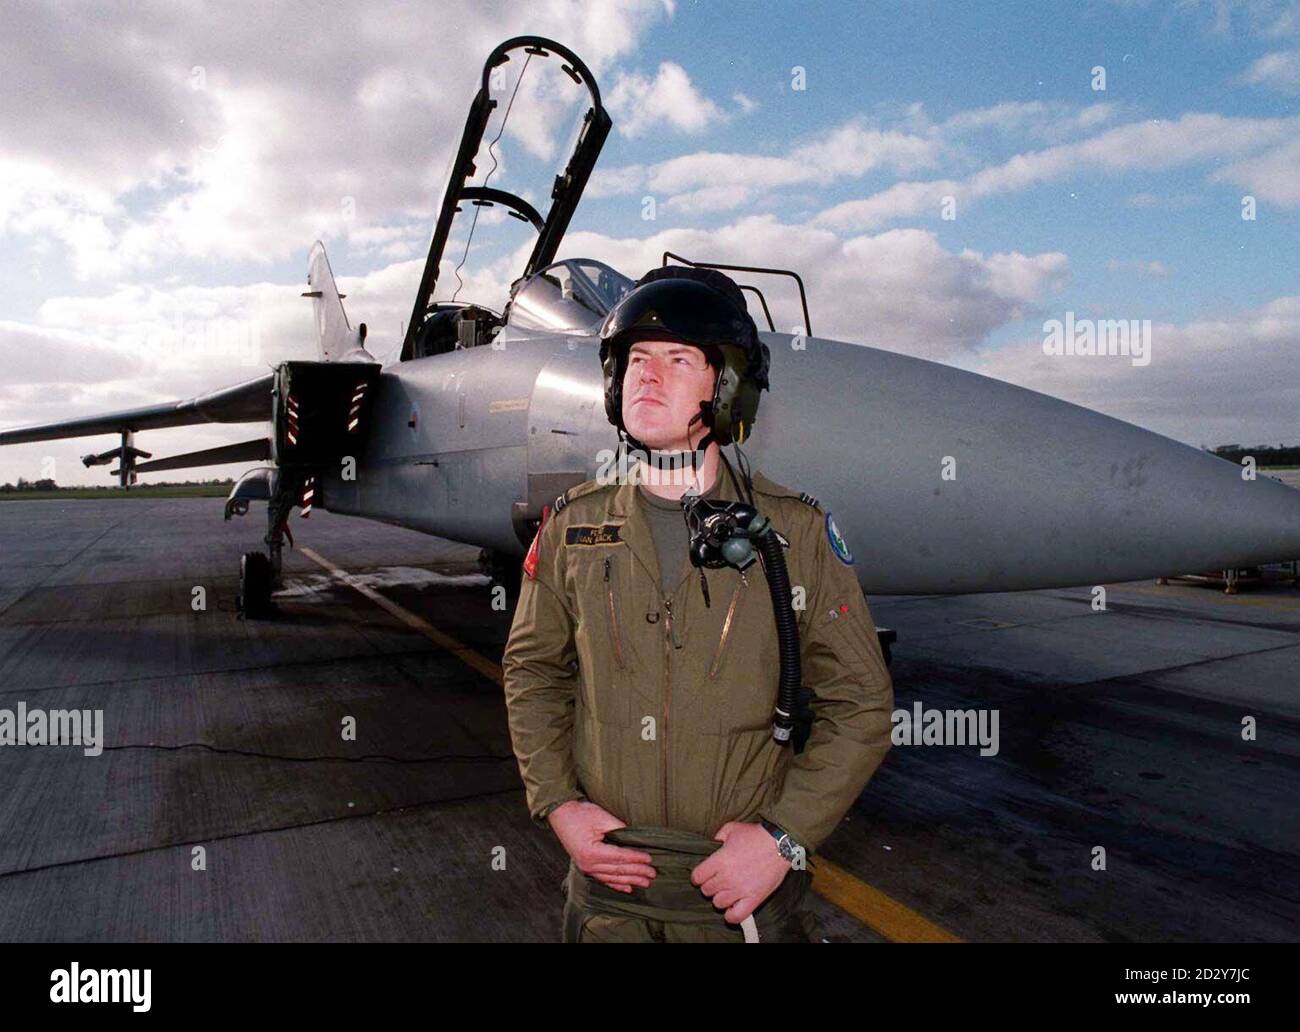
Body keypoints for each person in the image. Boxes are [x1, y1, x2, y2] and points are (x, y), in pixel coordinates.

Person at [502, 265, 893, 942]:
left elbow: (859, 706)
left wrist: (783, 839)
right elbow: (534, 673)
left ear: (728, 389)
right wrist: (560, 806)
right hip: (608, 903)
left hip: (735, 907)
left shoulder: (793, 531)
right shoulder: (572, 525)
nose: (648, 377)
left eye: (679, 360)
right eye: (637, 361)